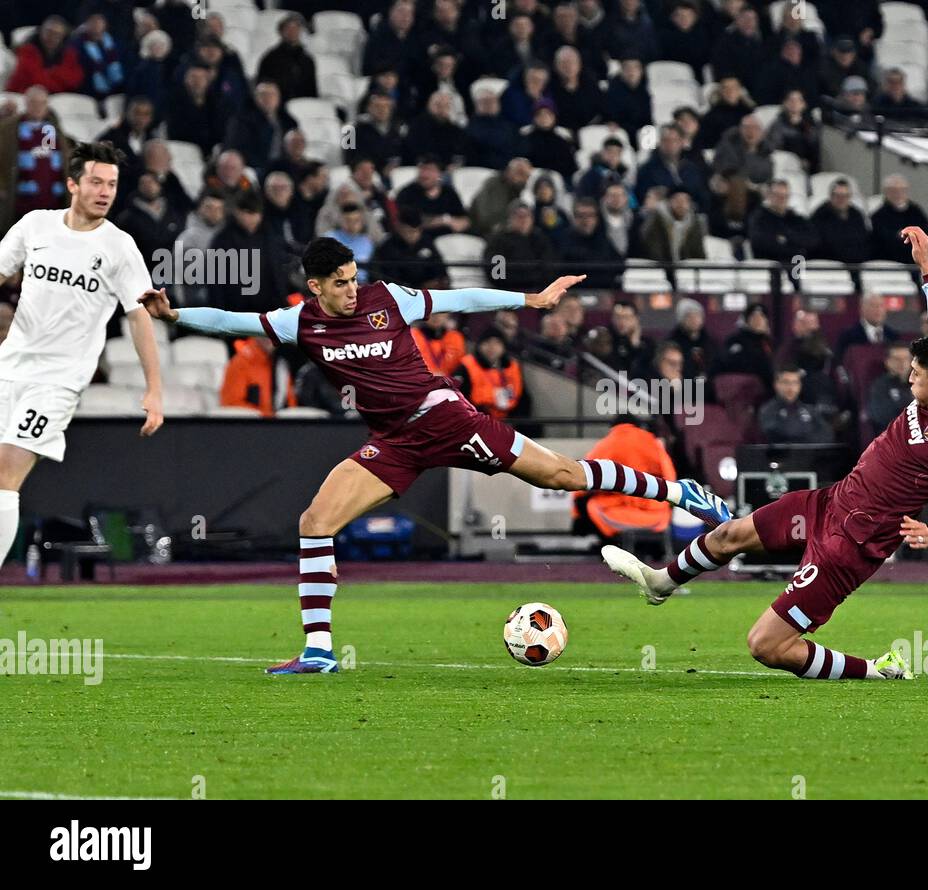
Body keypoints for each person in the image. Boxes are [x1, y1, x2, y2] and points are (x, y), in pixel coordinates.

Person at [138, 239, 732, 674]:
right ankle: (319, 651)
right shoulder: (301, 321)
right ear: (315, 287)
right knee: (315, 523)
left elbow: (463, 297)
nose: (351, 288)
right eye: (339, 282)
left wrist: (532, 298)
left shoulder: (386, 298)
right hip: (395, 442)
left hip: (445, 418)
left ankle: (681, 492)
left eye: (352, 277)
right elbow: (231, 320)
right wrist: (175, 314)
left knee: (561, 474)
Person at [602, 225, 928, 681]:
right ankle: (660, 583)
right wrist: (926, 268)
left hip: (851, 546)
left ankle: (877, 672)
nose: (909, 380)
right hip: (830, 502)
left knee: (765, 645)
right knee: (729, 536)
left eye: (917, 374)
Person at [0, 142, 166, 569]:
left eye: (112, 184)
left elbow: (139, 317)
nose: (105, 191)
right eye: (96, 181)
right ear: (73, 183)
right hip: (8, 367)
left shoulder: (120, 247)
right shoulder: (36, 225)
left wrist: (154, 389)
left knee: (6, 475)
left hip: (58, 382)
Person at [760, 366, 834, 445]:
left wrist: (801, 438)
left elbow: (827, 435)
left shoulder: (809, 410)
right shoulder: (767, 410)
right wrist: (807, 436)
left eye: (795, 383)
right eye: (786, 382)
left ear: (800, 386)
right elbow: (776, 433)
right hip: (781, 456)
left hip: (809, 455)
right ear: (776, 385)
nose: (791, 387)